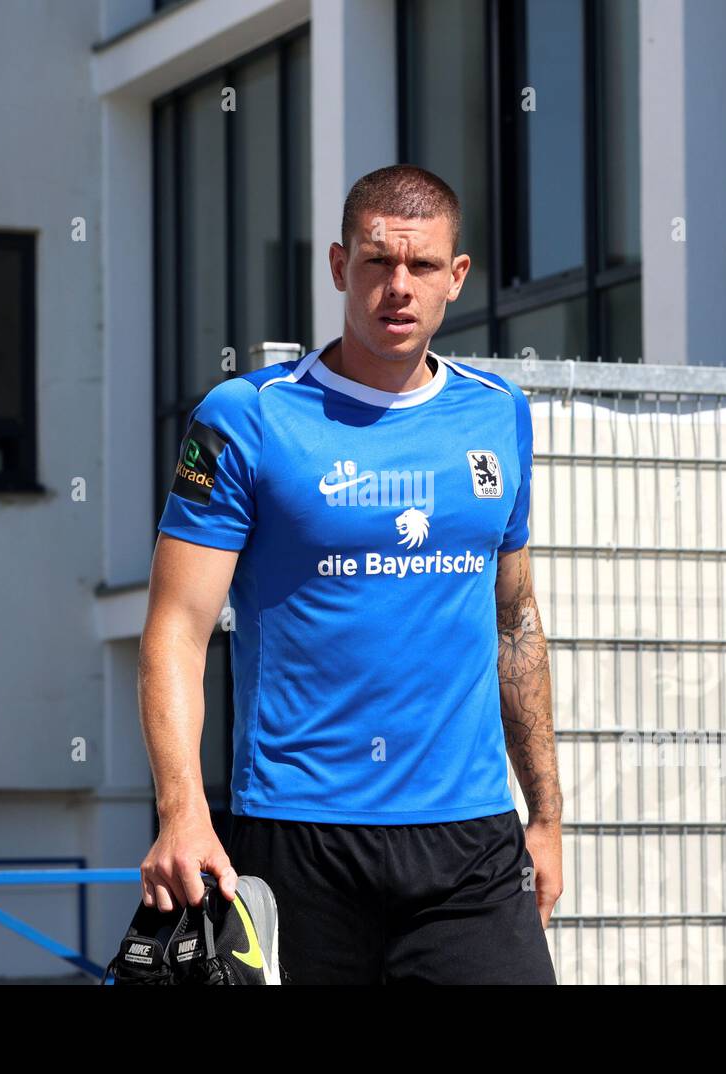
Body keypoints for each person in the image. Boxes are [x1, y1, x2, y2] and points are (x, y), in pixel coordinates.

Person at [136, 163, 562, 984]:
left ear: (456, 277)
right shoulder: (247, 417)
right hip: (299, 839)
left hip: (470, 841)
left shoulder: (497, 412)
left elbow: (515, 622)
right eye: (377, 263)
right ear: (339, 266)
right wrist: (183, 812)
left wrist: (546, 815)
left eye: (422, 266)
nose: (398, 287)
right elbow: (177, 629)